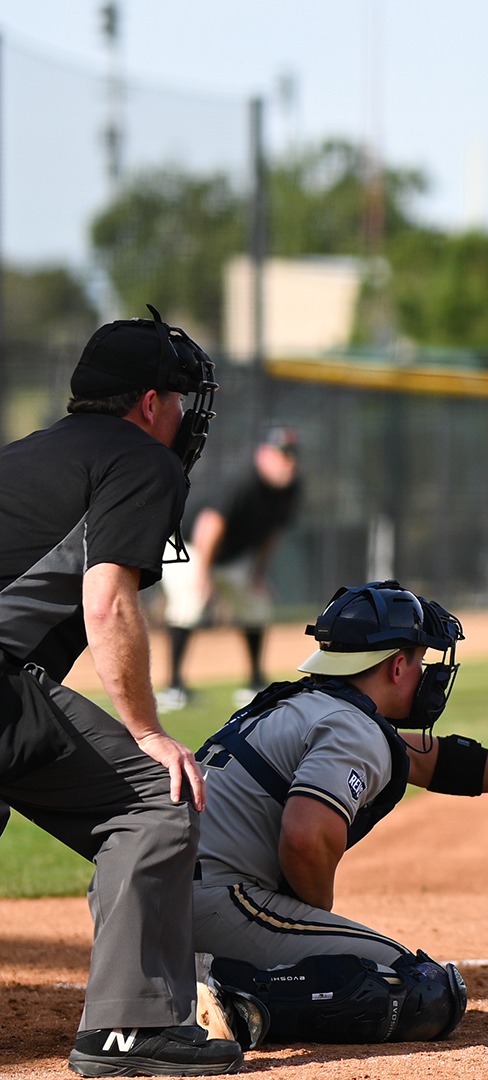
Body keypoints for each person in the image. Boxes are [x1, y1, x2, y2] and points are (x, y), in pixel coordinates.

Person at [0, 312, 247, 1075]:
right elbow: (106, 603)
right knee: (153, 799)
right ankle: (130, 1028)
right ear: (150, 403)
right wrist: (146, 730)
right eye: (180, 399)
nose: (185, 416)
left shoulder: (24, 456)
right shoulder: (143, 461)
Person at [189, 580, 488, 1044]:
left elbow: (425, 759)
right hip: (218, 903)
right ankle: (223, 997)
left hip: (158, 902)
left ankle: (184, 976)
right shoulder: (354, 727)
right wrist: (310, 917)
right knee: (422, 988)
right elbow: (306, 837)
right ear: (397, 666)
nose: (426, 672)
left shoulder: (298, 706)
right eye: (420, 660)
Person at [159, 425, 302, 711]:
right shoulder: (244, 481)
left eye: (290, 455)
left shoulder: (290, 489)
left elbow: (272, 533)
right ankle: (174, 687)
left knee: (254, 606)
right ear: (263, 454)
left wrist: (259, 573)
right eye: (279, 454)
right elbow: (209, 527)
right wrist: (203, 576)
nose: (285, 462)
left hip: (232, 555)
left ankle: (255, 682)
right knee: (189, 605)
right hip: (191, 546)